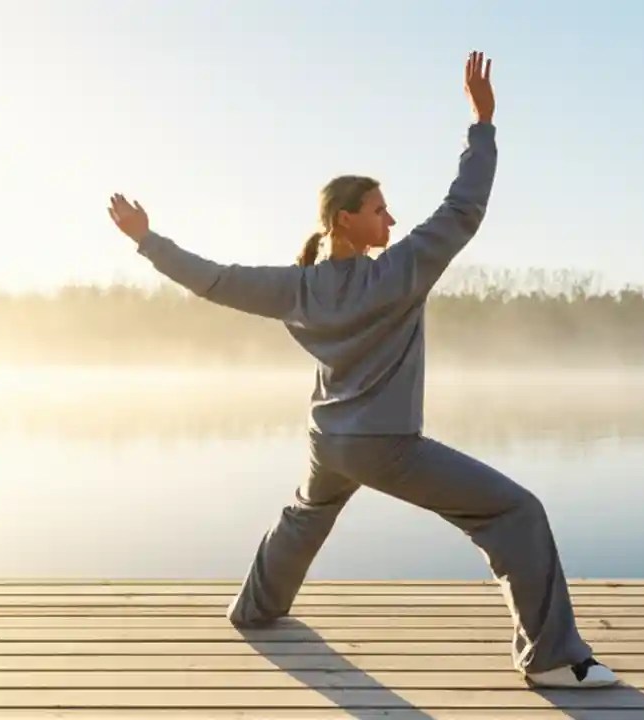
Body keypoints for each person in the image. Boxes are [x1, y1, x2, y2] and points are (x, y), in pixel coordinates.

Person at [106, 51, 617, 689]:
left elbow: (212, 280)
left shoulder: (296, 287)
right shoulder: (396, 274)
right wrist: (482, 125)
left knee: (305, 514)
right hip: (386, 445)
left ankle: (256, 610)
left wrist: (146, 240)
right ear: (345, 219)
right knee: (515, 512)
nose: (392, 219)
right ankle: (551, 659)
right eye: (380, 210)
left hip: (329, 441)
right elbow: (463, 209)